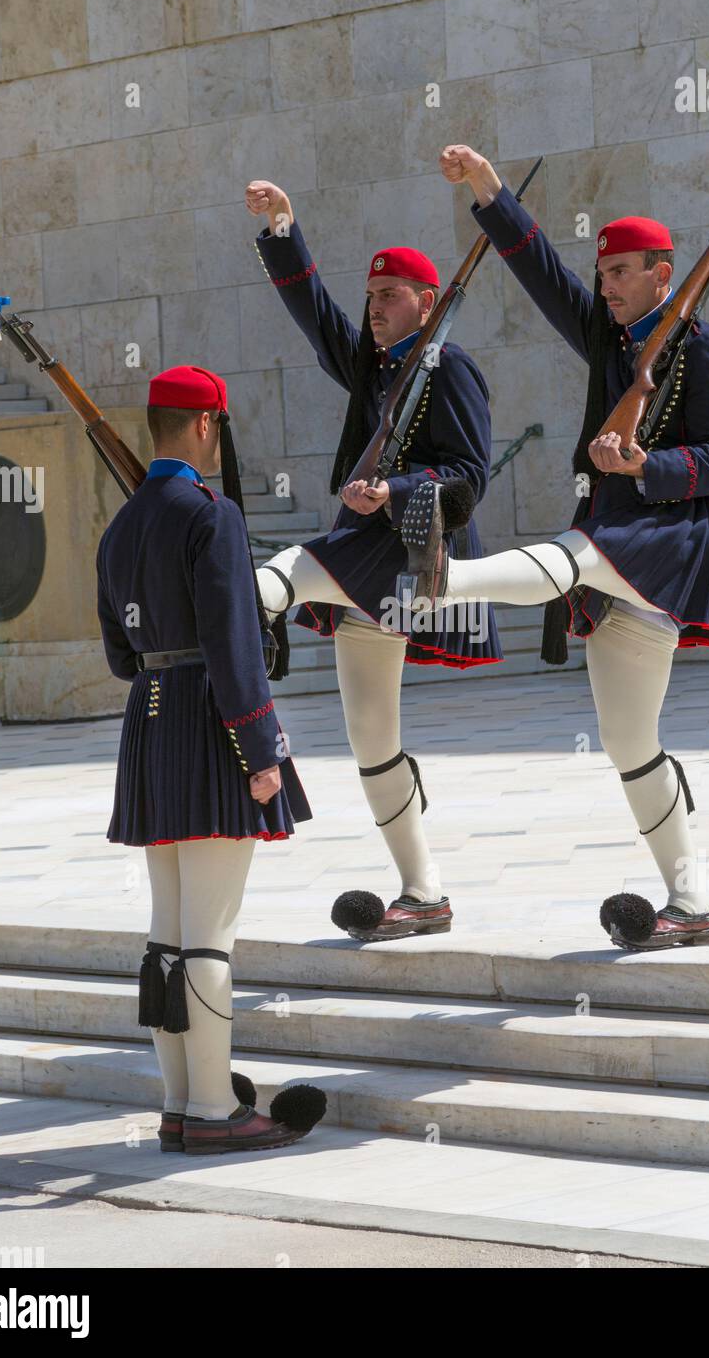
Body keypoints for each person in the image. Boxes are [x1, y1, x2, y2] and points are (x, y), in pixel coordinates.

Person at [395, 144, 709, 952]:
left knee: (577, 551)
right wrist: (488, 188)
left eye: (624, 273)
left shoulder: (708, 351)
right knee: (628, 742)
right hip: (623, 556)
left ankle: (448, 578)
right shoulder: (609, 342)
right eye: (604, 273)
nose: (606, 285)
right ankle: (691, 905)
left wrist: (648, 464)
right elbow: (539, 272)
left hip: (675, 540)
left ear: (664, 275)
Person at [244, 178, 502, 942]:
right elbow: (317, 317)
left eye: (391, 295)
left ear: (427, 302)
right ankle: (424, 892)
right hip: (366, 556)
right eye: (372, 295)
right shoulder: (375, 368)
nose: (375, 306)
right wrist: (283, 230)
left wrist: (391, 490)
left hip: (401, 553)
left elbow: (469, 481)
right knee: (371, 737)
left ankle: (241, 700)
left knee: (276, 576)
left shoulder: (451, 370)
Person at [97, 363, 325, 1152]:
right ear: (204, 426)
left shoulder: (122, 524)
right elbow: (234, 647)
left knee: (168, 935)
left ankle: (178, 1102)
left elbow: (122, 655)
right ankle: (217, 1114)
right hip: (209, 723)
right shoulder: (210, 514)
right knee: (208, 936)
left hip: (149, 723)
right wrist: (262, 750)